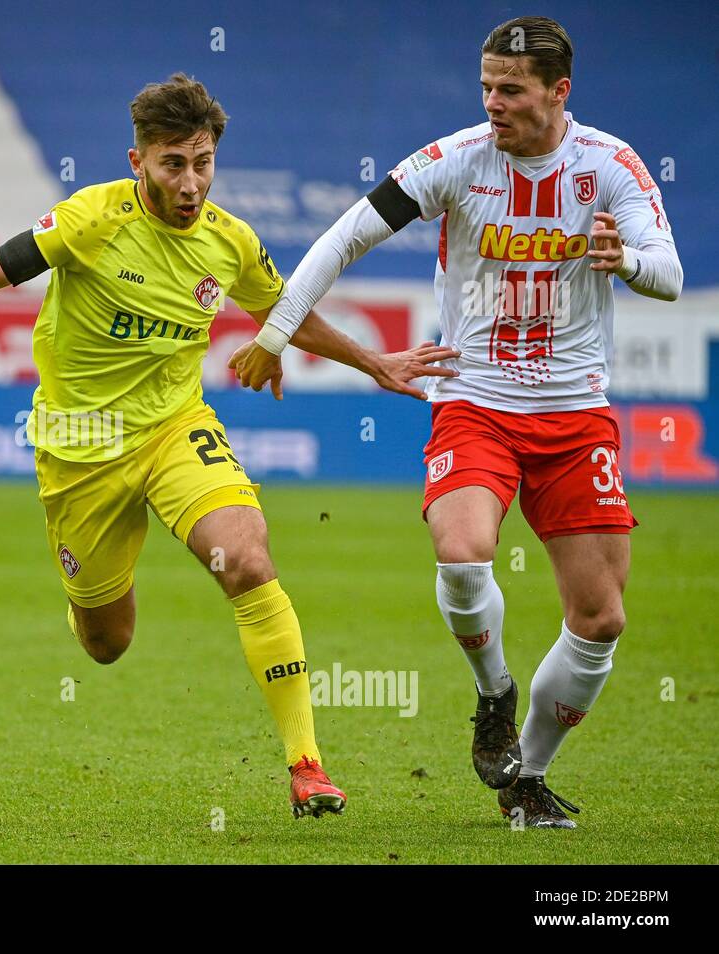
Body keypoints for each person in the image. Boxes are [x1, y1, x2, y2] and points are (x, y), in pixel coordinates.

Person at [0, 74, 455, 819]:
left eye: (203, 162)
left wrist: (375, 363)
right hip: (80, 444)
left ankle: (307, 765)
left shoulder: (230, 242)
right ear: (136, 161)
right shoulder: (88, 221)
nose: (192, 181)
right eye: (174, 163)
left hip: (175, 428)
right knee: (108, 642)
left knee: (249, 559)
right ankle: (83, 605)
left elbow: (288, 312)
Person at [231, 17, 681, 827]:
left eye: (510, 89)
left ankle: (527, 778)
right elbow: (343, 239)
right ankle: (494, 695)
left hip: (576, 412)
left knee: (601, 617)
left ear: (558, 92)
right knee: (464, 551)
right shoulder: (454, 161)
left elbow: (670, 273)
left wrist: (627, 262)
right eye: (486, 87)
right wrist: (272, 333)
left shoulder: (610, 167)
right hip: (475, 399)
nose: (494, 103)